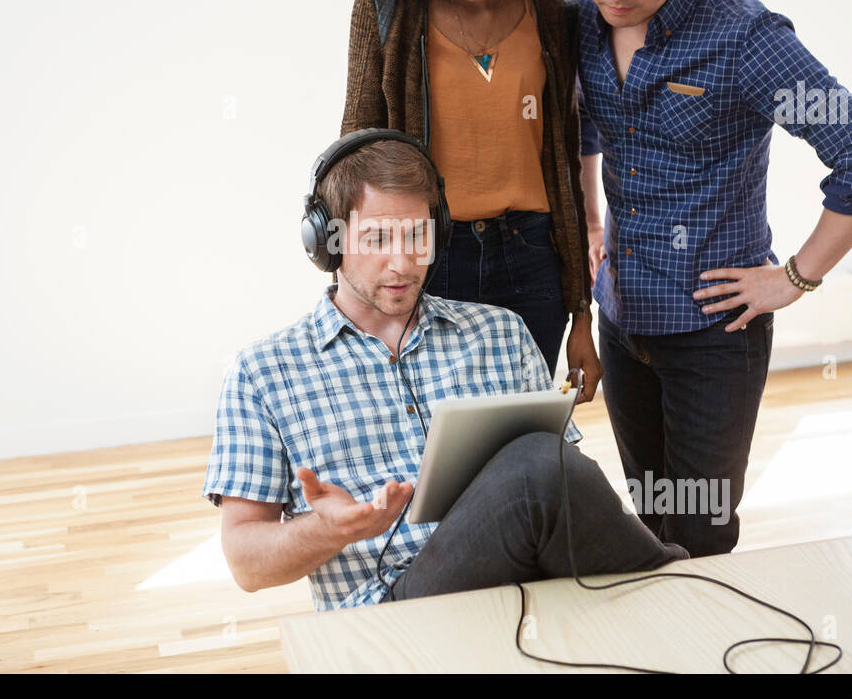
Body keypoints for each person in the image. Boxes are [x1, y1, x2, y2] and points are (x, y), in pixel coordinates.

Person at [570, 0, 852, 557]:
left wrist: (795, 277)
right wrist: (591, 216)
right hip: (622, 321)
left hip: (714, 336)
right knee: (650, 521)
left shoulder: (747, 40)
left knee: (701, 529)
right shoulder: (583, 20)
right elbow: (586, 123)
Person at [202, 132, 688, 611]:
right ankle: (683, 590)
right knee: (539, 463)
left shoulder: (499, 332)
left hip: (529, 592)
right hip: (394, 613)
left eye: (417, 234)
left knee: (549, 465)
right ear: (327, 241)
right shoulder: (262, 373)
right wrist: (330, 529)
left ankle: (671, 599)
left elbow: (572, 496)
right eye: (377, 238)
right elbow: (246, 564)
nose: (403, 261)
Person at [341, 0, 600, 400]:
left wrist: (581, 312)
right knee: (435, 447)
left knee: (520, 440)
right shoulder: (386, 4)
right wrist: (354, 285)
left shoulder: (552, 13)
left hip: (532, 258)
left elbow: (566, 164)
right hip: (432, 258)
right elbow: (353, 156)